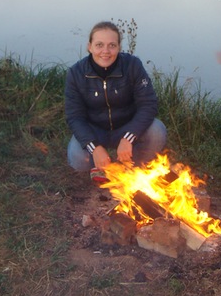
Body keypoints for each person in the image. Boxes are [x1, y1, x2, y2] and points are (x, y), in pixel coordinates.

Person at [65, 21, 167, 183]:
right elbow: (74, 117)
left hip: (127, 126)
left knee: (157, 131)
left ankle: (132, 167)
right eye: (99, 45)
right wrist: (94, 147)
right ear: (89, 47)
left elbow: (148, 104)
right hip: (95, 130)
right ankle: (103, 165)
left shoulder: (132, 65)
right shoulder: (76, 73)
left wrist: (129, 138)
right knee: (78, 159)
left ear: (119, 47)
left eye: (112, 45)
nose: (105, 51)